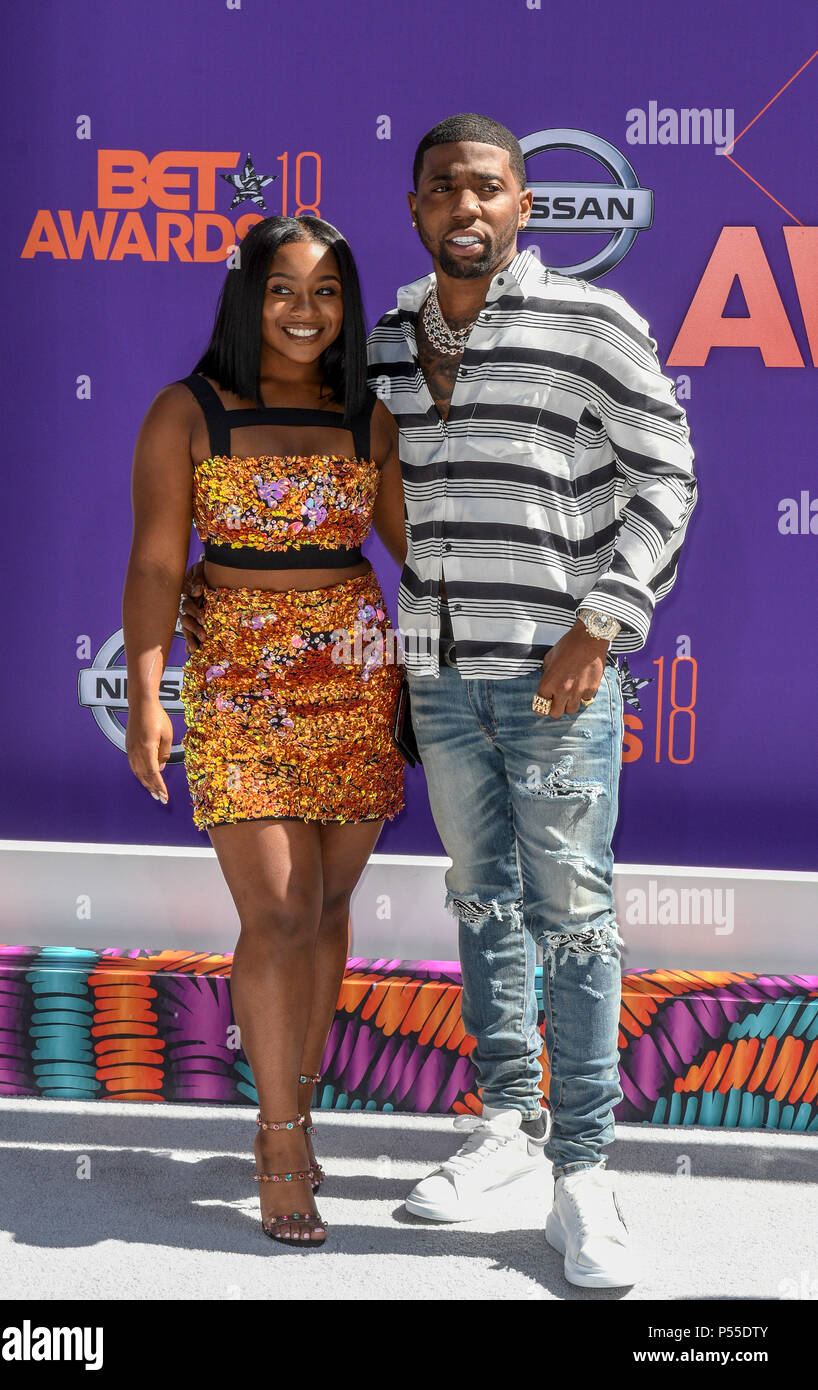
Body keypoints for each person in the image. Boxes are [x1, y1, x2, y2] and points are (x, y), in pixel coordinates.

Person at [181, 113, 698, 1289]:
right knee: (482, 902)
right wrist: (406, 663)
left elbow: (667, 471)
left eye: (487, 187)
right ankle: (510, 1130)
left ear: (524, 203)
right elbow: (402, 530)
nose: (464, 207)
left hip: (556, 671)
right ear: (414, 210)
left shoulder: (592, 320)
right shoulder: (395, 338)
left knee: (571, 915)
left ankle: (583, 1175)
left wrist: (602, 621)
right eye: (440, 190)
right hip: (441, 681)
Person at [122, 214, 408, 1248]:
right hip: (240, 683)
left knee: (329, 905)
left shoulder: (367, 416)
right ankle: (280, 1139)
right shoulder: (185, 411)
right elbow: (158, 565)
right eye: (282, 289)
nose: (303, 310)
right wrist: (149, 696)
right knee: (279, 912)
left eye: (326, 292)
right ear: (246, 298)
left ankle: (298, 1095)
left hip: (356, 678)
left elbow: (417, 553)